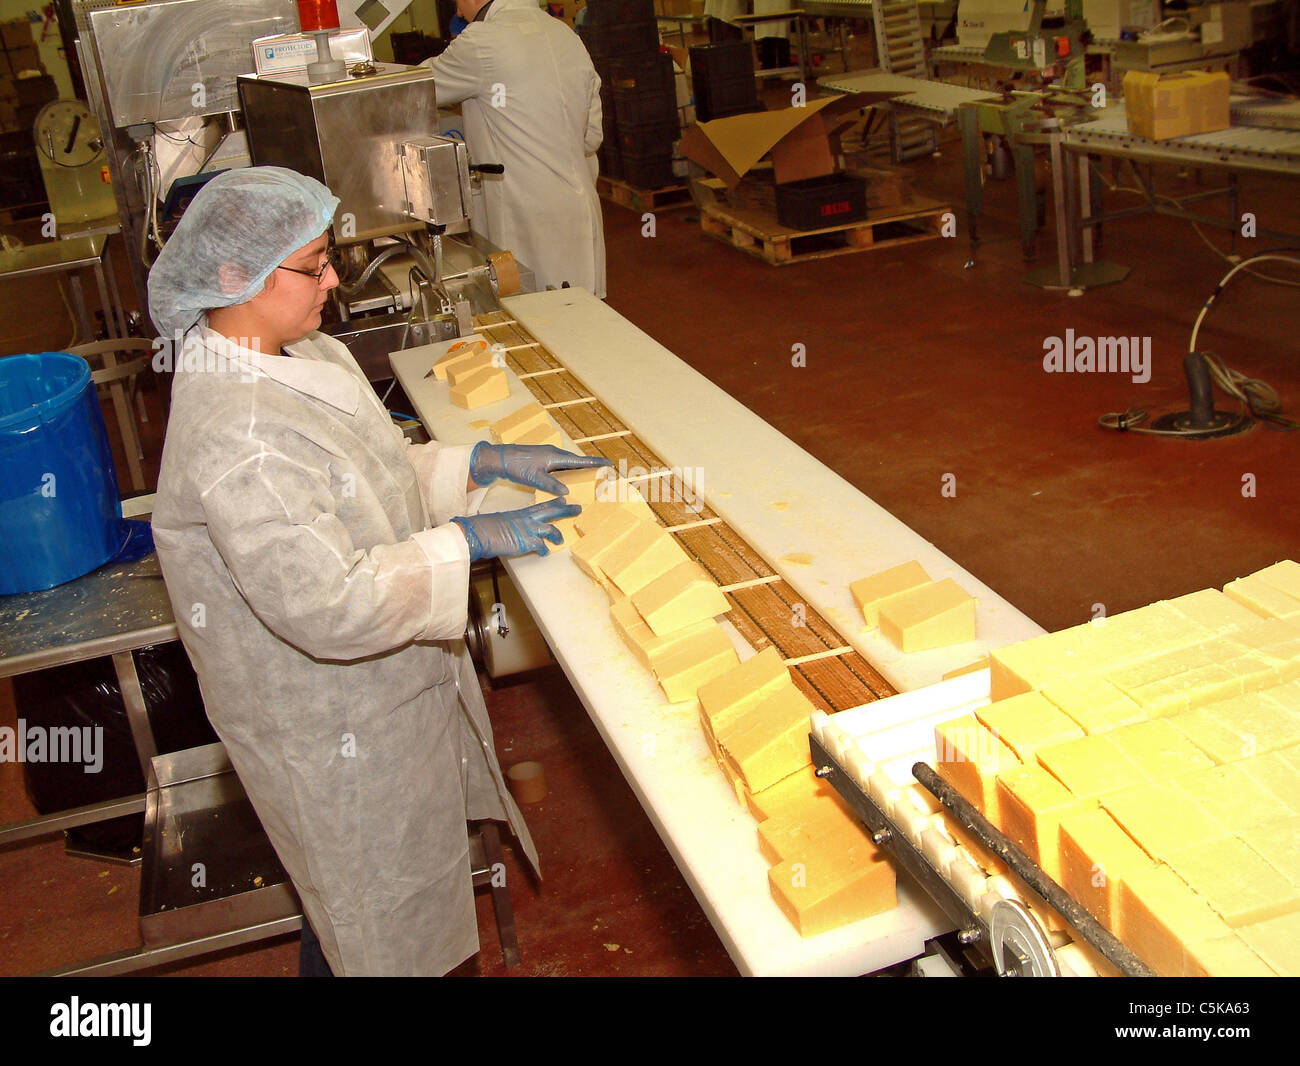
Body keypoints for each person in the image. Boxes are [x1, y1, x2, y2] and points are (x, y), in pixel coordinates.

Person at [147, 166, 611, 976]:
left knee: (364, 915)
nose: (333, 280)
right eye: (314, 264)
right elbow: (329, 600)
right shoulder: (237, 435)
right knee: (369, 923)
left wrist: (476, 464)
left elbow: (373, 474)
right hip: (331, 728)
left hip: (378, 703)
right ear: (233, 277)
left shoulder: (295, 351)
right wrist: (467, 543)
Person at [426, 0, 606, 297]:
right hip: (580, 211)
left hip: (528, 221)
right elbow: (591, 137)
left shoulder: (482, 41)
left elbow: (413, 87)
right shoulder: (568, 38)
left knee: (536, 324)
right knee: (582, 323)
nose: (458, 12)